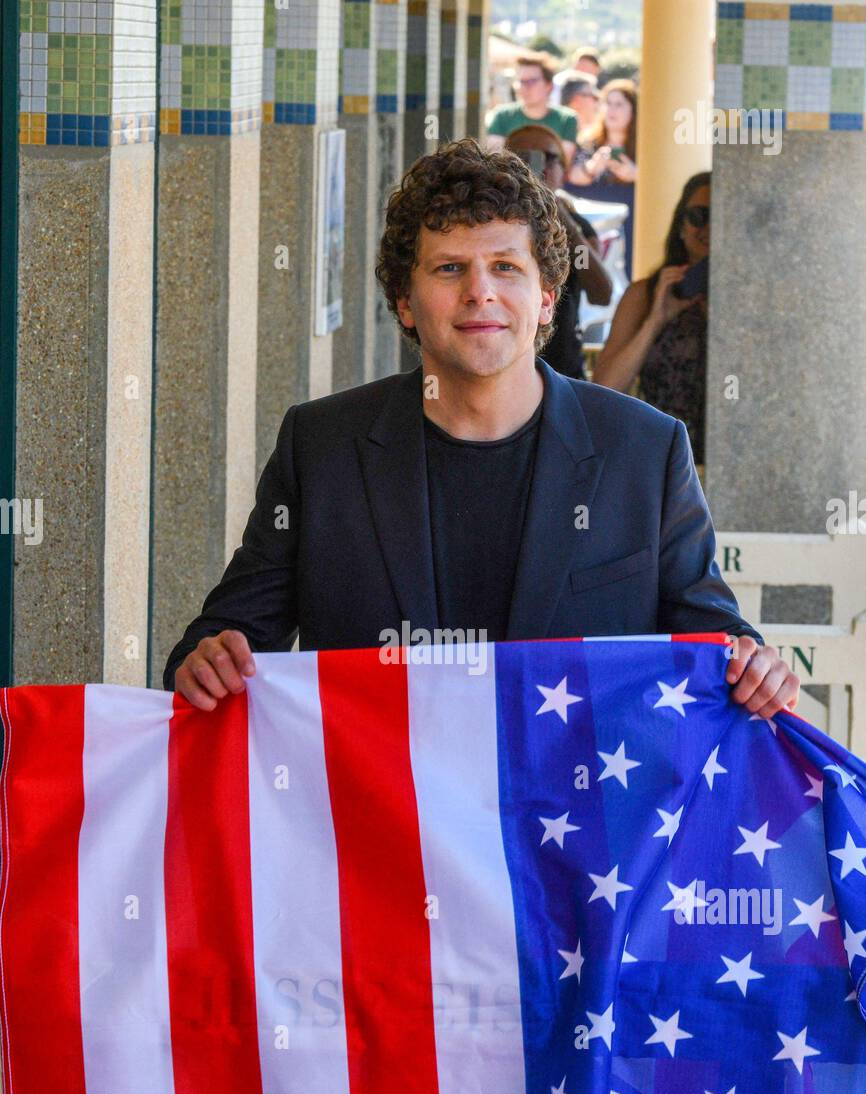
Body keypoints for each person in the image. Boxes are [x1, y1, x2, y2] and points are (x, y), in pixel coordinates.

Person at [162, 138, 798, 724]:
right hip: (384, 825)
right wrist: (209, 658)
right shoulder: (322, 446)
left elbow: (714, 634)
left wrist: (756, 664)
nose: (479, 294)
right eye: (448, 270)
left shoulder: (645, 451)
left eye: (505, 267)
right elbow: (225, 638)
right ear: (404, 301)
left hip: (574, 831)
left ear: (548, 295)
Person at [592, 172, 710, 471]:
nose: (709, 227)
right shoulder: (645, 294)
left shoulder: (755, 301)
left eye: (721, 215)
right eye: (698, 215)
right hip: (660, 461)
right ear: (681, 226)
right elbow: (606, 389)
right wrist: (656, 319)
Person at [504, 124, 611, 380]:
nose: (537, 168)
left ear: (563, 171)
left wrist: (558, 216)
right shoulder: (491, 222)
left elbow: (601, 293)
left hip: (562, 373)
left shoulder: (576, 226)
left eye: (548, 158)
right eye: (522, 158)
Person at [566, 78, 638, 275]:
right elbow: (569, 178)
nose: (611, 110)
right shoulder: (588, 144)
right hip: (589, 233)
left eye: (619, 104)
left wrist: (636, 175)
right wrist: (591, 169)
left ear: (633, 110)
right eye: (608, 103)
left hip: (630, 236)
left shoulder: (645, 148)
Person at [485, 54, 577, 169]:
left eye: (532, 81)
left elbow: (562, 163)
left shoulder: (566, 119)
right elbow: (494, 158)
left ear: (549, 86)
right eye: (521, 81)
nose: (525, 87)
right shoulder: (502, 116)